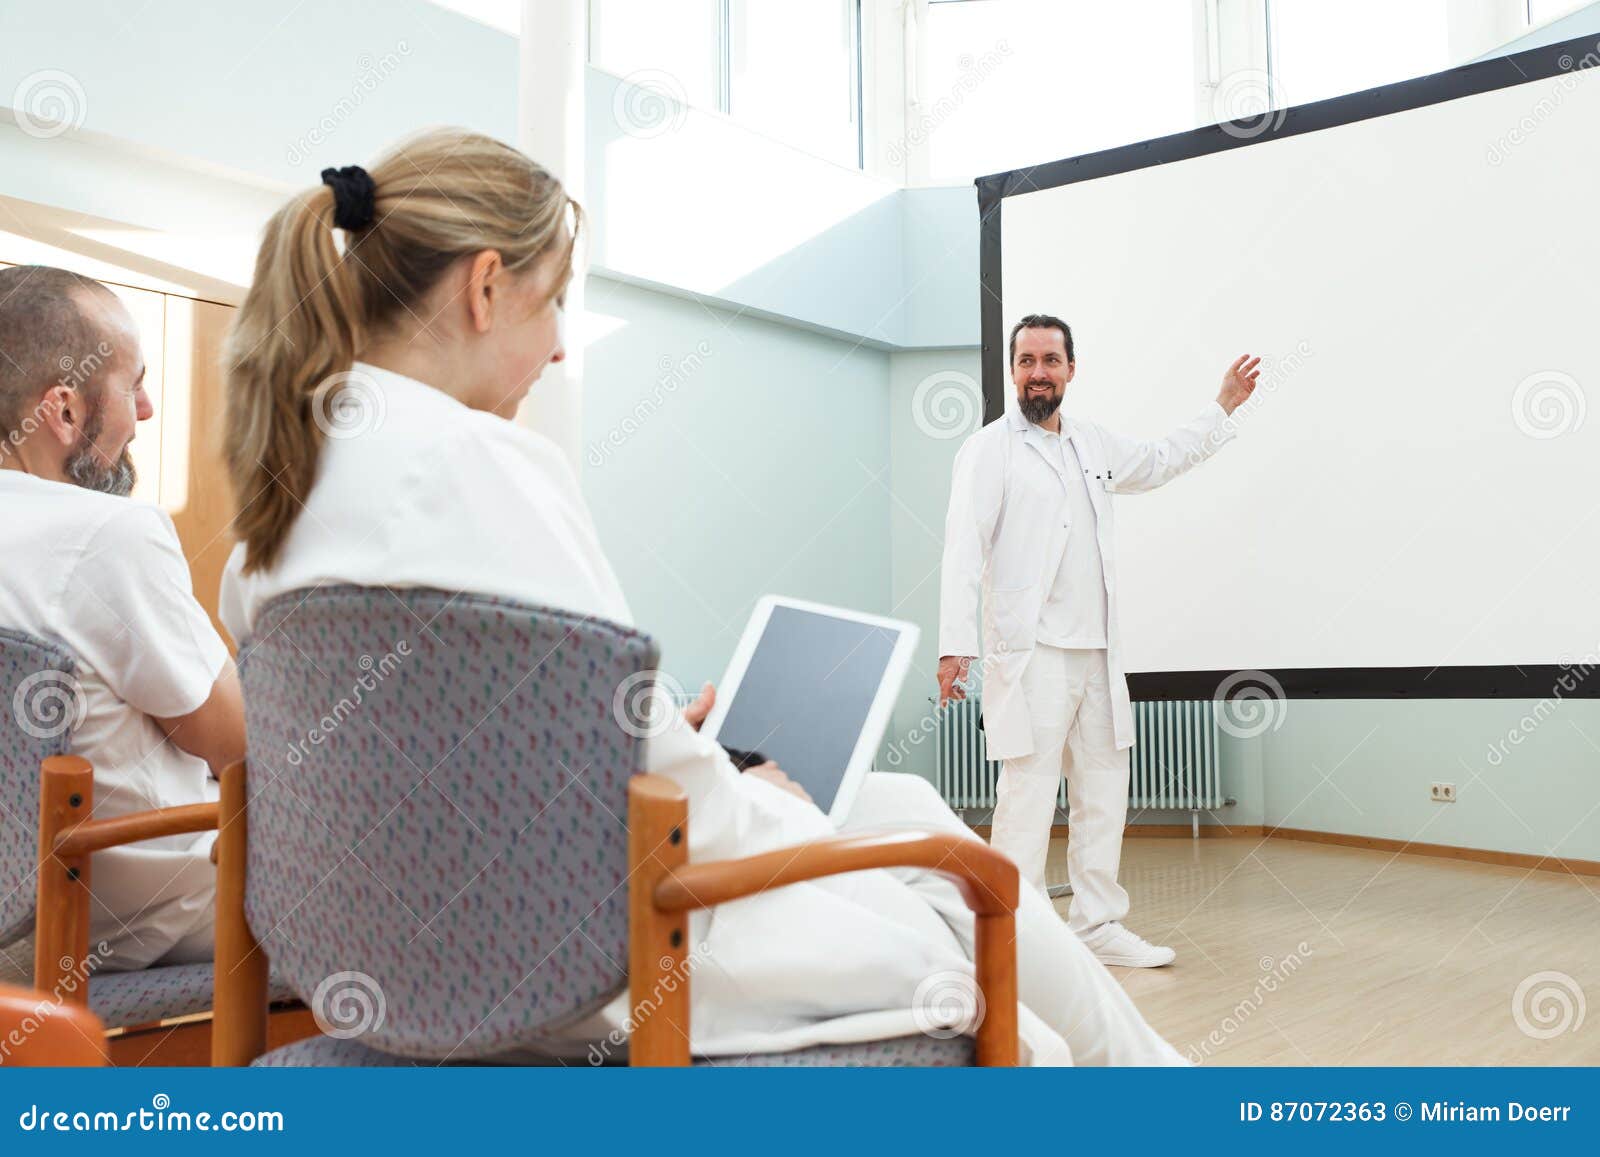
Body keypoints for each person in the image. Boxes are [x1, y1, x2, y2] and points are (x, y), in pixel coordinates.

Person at [217, 129, 1186, 1065]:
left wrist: (631, 738)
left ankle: (1159, 1079)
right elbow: (688, 818)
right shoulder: (488, 462)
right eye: (553, 303)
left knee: (900, 798)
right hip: (606, 959)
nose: (558, 350)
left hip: (419, 941)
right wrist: (754, 789)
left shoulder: (274, 510)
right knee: (972, 930)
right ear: (485, 287)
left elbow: (450, 747)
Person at [938, 314, 1259, 969]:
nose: (1037, 372)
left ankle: (1097, 925)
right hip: (1032, 658)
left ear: (1070, 369)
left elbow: (1161, 459)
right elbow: (962, 550)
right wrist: (954, 644)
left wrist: (1221, 407)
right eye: (1026, 360)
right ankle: (1015, 934)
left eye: (1050, 360)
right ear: (1012, 370)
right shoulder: (988, 450)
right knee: (1025, 798)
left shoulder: (1092, 443)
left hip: (1099, 654)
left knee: (1103, 793)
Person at [0, 265, 243, 985]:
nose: (146, 407)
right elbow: (237, 747)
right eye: (132, 382)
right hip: (114, 910)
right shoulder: (110, 529)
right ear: (66, 411)